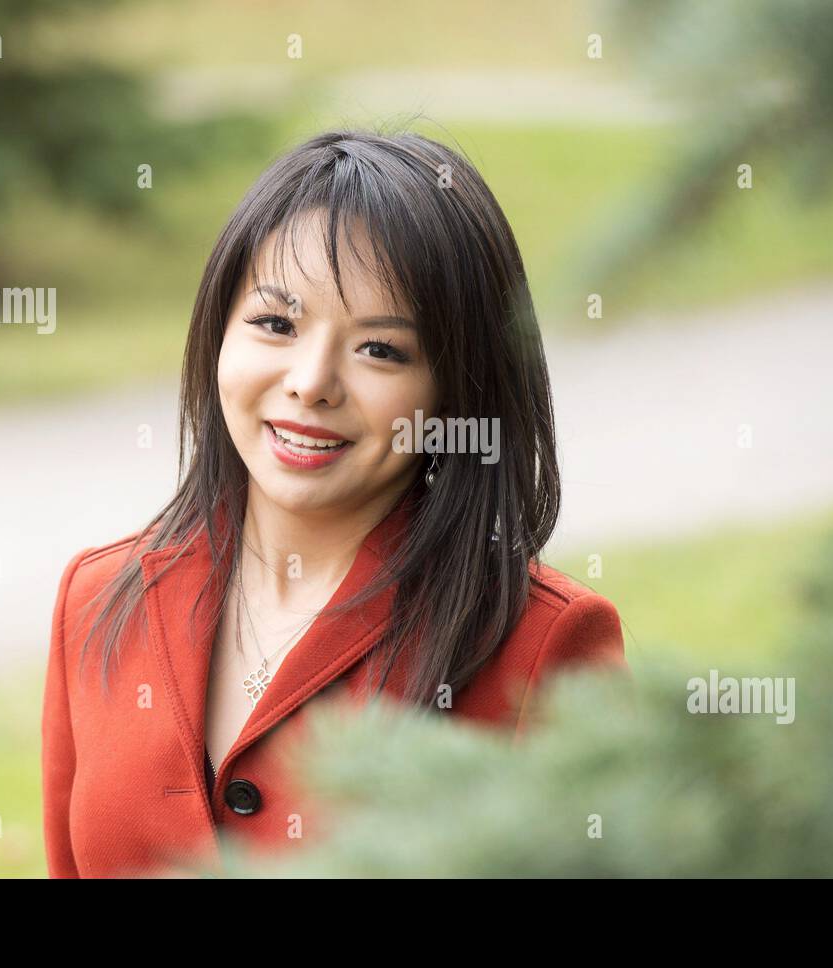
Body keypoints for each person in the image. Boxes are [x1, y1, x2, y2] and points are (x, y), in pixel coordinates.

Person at [41, 128, 629, 878]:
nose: (311, 381)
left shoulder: (543, 646)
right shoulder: (98, 599)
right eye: (276, 324)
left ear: (457, 390)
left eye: (381, 349)